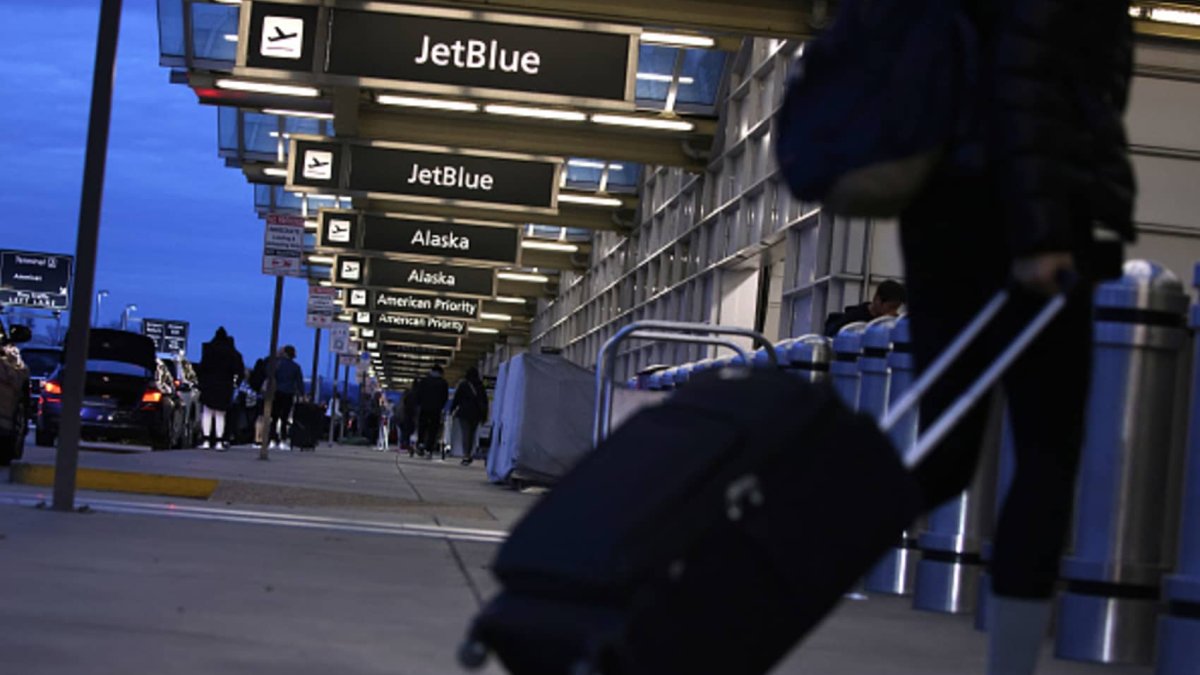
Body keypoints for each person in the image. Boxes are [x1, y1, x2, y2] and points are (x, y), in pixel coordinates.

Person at [897, 3, 1134, 675]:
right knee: (1046, 451)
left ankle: (783, 552)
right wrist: (1041, 236)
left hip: (940, 212)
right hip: (1022, 223)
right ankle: (1011, 666)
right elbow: (1025, 87)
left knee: (944, 454)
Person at [195, 327, 244, 450]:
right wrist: (236, 384)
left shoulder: (208, 349)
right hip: (225, 385)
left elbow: (201, 368)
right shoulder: (233, 353)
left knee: (207, 412)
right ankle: (219, 441)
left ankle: (206, 440)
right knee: (220, 414)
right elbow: (239, 371)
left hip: (209, 384)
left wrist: (201, 383)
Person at [823, 280, 906, 337]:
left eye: (896, 308)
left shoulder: (894, 324)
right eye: (891, 307)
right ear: (877, 300)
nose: (894, 312)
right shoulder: (853, 319)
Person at [266, 345, 305, 451]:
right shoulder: (296, 367)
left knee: (274, 417)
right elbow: (299, 382)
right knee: (284, 417)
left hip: (277, 392)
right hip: (289, 393)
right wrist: (302, 394)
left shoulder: (277, 364)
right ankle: (283, 439)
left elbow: (269, 374)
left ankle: (272, 439)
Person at [452, 367, 489, 466]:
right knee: (472, 434)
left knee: (465, 434)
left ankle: (466, 455)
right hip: (476, 414)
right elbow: (484, 402)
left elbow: (457, 398)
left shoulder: (463, 385)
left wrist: (452, 409)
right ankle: (469, 453)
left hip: (464, 413)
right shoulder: (480, 386)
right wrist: (484, 416)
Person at [414, 365, 449, 460]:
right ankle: (429, 449)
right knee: (433, 430)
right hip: (436, 410)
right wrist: (440, 406)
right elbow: (445, 397)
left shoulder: (424, 381)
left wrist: (419, 404)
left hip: (424, 408)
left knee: (422, 427)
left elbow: (418, 394)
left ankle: (420, 443)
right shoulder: (443, 383)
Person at [399, 388, 418, 455]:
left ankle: (404, 445)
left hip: (406, 417)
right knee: (411, 432)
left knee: (405, 432)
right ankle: (410, 446)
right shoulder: (415, 398)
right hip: (411, 417)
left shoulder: (404, 398)